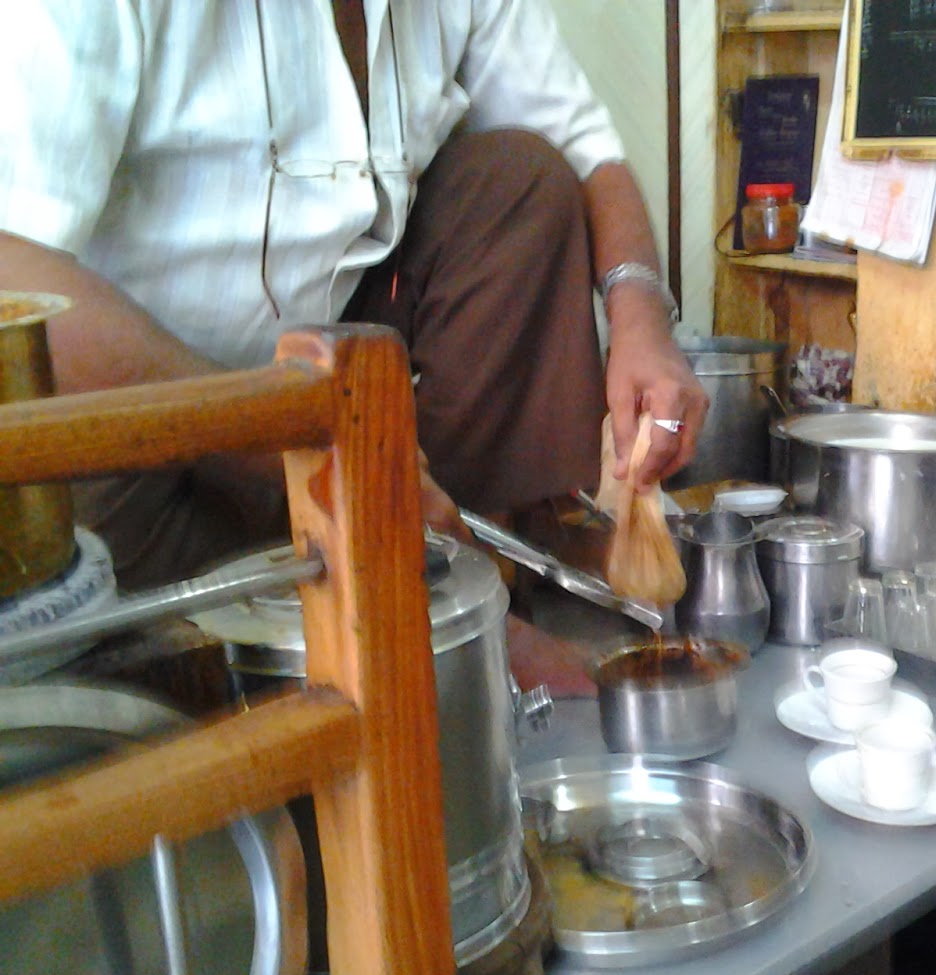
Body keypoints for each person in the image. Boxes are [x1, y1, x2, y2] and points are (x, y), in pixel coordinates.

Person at [0, 1, 709, 694]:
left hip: (328, 379)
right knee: (165, 677)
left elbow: (591, 157)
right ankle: (385, 607)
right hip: (139, 427)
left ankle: (460, 591)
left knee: (519, 184)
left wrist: (642, 320)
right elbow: (11, 275)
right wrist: (300, 436)